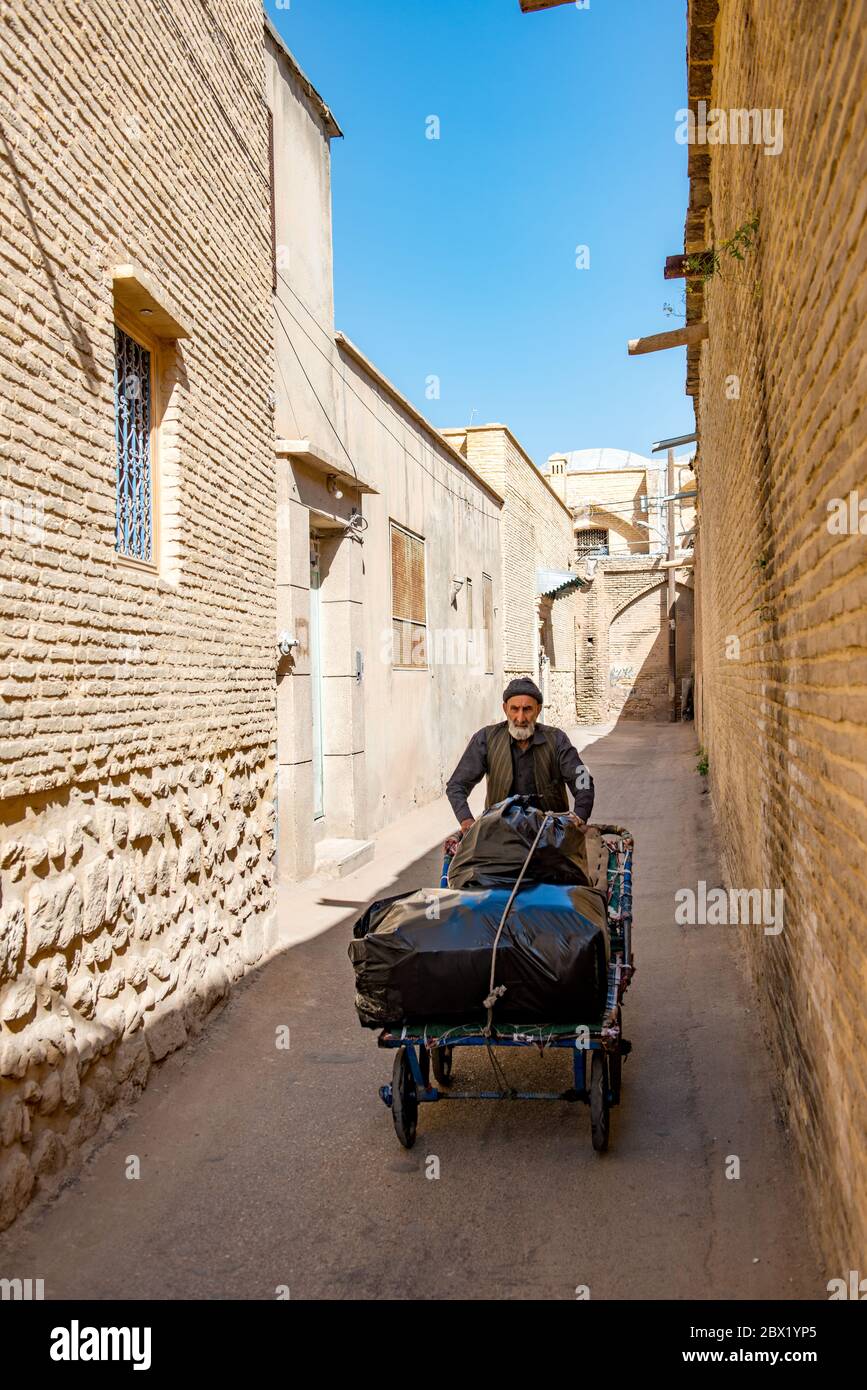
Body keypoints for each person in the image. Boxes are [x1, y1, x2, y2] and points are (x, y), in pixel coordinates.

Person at [445, 677, 595, 833]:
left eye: (527, 709)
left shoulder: (557, 739)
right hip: (499, 834)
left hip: (550, 834)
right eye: (514, 709)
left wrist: (580, 814)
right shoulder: (486, 739)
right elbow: (456, 785)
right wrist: (466, 819)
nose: (520, 718)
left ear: (538, 709)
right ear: (505, 709)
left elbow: (583, 778)